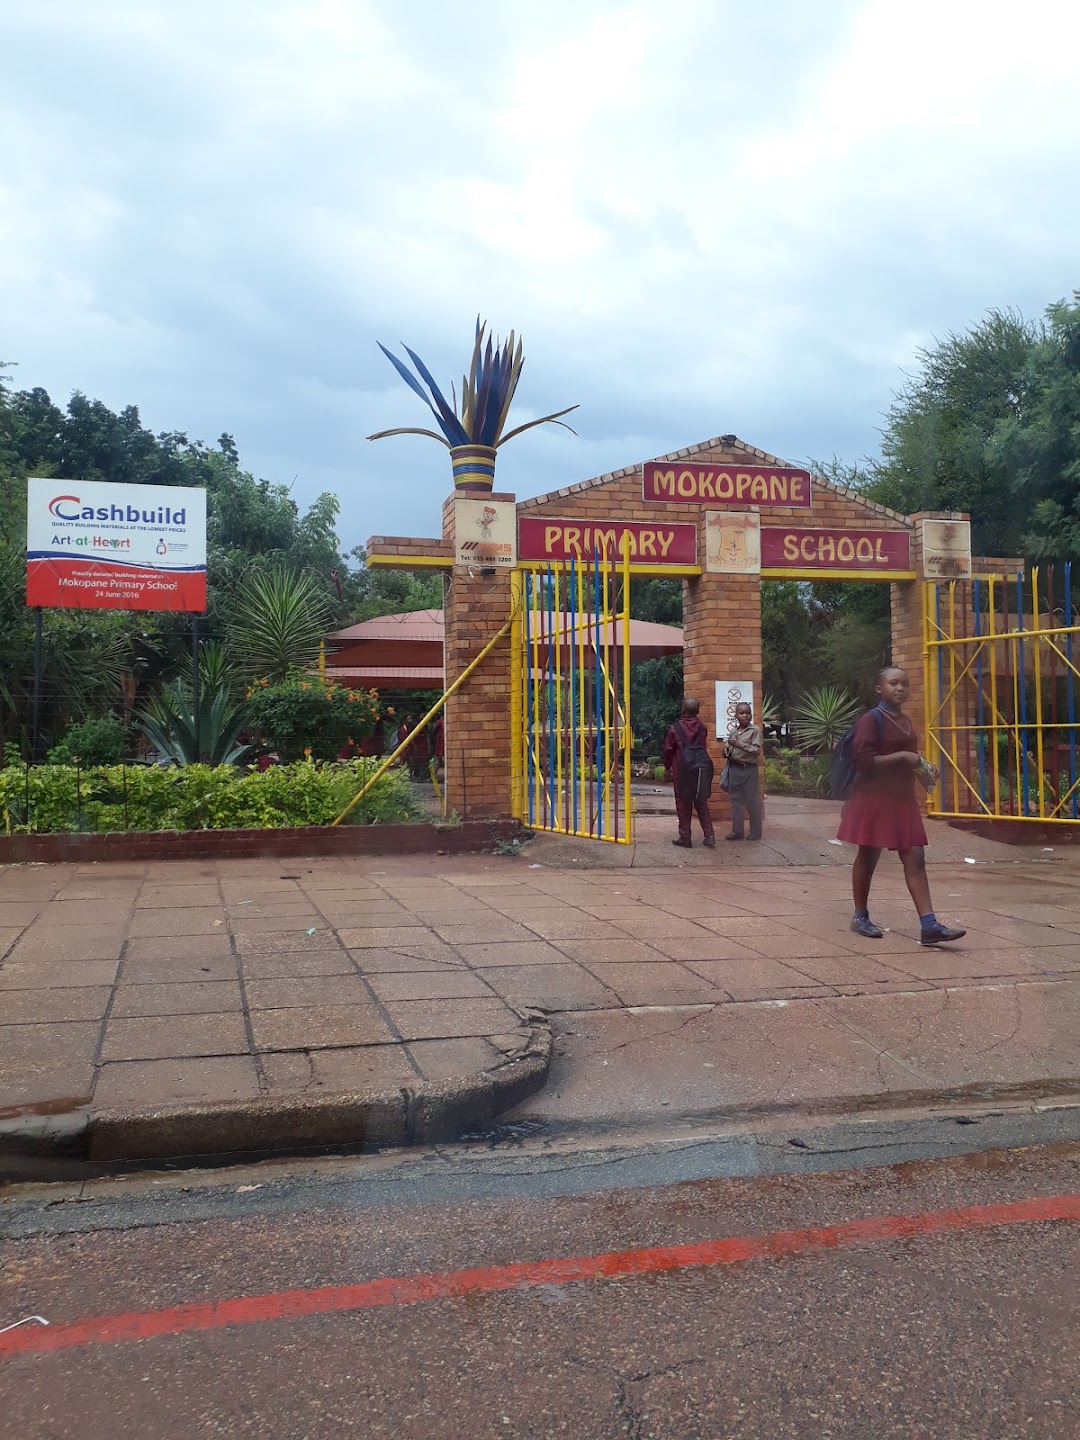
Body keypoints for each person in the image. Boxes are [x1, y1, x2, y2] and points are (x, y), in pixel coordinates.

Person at [838, 666, 966, 945]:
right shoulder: (871, 720)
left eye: (905, 684)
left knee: (915, 857)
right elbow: (864, 762)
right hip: (873, 798)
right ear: (879, 689)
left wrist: (923, 769)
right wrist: (906, 757)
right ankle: (860, 916)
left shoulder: (906, 721)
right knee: (869, 855)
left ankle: (929, 925)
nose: (900, 688)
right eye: (893, 683)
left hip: (901, 800)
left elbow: (907, 759)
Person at [662, 697, 715, 848]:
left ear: (682, 710)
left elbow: (668, 751)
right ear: (697, 711)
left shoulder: (674, 728)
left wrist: (667, 769)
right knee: (701, 801)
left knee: (683, 804)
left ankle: (685, 838)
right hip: (699, 770)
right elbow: (701, 748)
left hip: (682, 771)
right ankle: (709, 835)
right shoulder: (702, 728)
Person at [723, 701, 763, 841]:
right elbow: (730, 747)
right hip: (735, 768)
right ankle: (737, 831)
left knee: (752, 801)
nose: (745, 715)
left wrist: (739, 744)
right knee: (736, 801)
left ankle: (756, 831)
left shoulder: (755, 731)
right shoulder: (734, 731)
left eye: (747, 713)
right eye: (741, 713)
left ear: (751, 714)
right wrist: (727, 750)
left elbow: (756, 750)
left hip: (749, 769)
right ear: (736, 715)